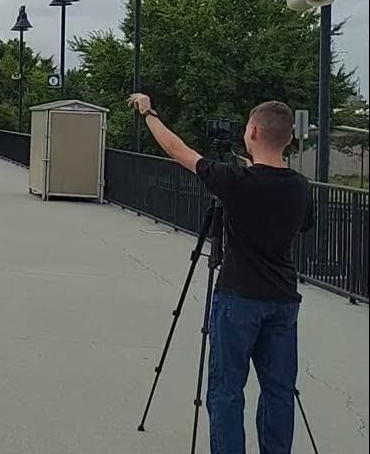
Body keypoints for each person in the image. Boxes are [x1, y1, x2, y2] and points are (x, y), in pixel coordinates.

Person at [128, 94, 313, 454]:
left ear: (254, 131)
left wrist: (148, 111)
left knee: (227, 390)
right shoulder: (300, 187)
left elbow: (178, 150)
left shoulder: (235, 181)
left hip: (238, 298)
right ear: (289, 138)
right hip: (283, 302)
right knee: (278, 391)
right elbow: (296, 221)